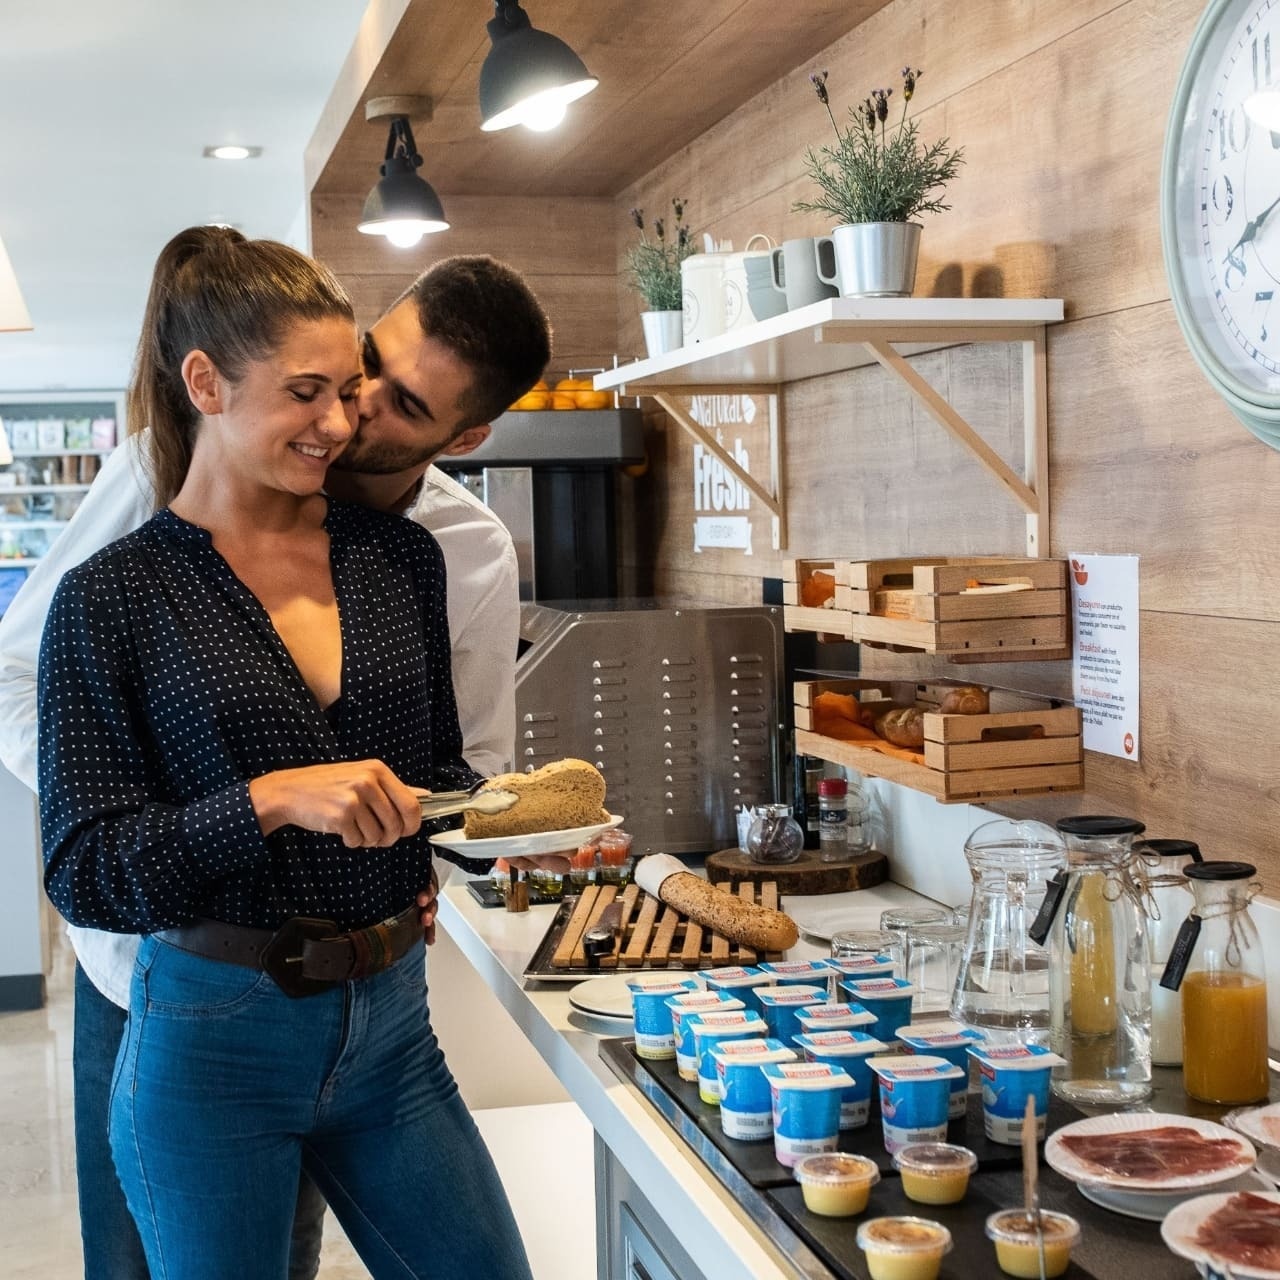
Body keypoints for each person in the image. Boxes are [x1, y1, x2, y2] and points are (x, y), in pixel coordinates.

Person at [20, 227, 553, 1280]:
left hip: (391, 1025)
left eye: (361, 393)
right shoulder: (115, 587)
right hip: (206, 1019)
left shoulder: (406, 555)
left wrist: (515, 824)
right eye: (318, 386)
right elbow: (84, 864)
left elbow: (440, 771)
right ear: (206, 384)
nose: (342, 418)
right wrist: (260, 802)